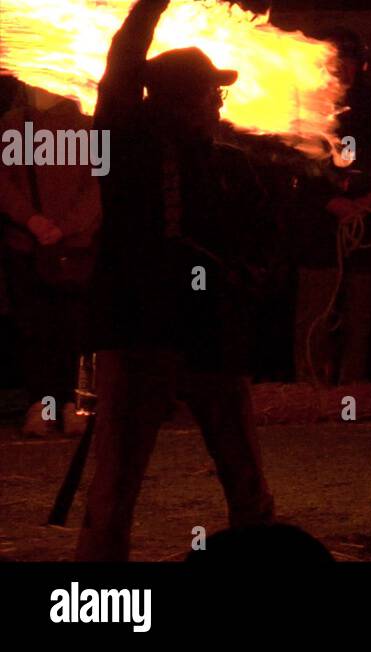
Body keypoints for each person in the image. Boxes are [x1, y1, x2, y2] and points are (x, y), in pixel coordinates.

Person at [76, 0, 276, 561]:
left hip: (213, 333)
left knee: (245, 481)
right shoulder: (124, 143)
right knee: (116, 488)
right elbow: (122, 65)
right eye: (207, 92)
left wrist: (250, 274)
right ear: (171, 101)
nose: (217, 102)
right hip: (141, 332)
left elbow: (261, 240)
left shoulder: (232, 166)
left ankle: (258, 563)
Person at [290, 27, 371, 385]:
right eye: (336, 62)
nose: (342, 69)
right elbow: (294, 164)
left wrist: (370, 199)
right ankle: (312, 387)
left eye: (348, 62)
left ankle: (352, 390)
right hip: (318, 230)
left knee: (359, 314)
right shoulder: (306, 105)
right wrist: (329, 201)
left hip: (363, 230)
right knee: (316, 312)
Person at [0, 83, 101, 437]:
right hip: (31, 246)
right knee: (37, 327)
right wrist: (34, 220)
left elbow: (98, 185)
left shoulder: (89, 128)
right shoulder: (13, 125)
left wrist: (56, 226)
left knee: (69, 328)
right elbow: (3, 181)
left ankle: (70, 403)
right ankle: (46, 404)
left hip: (66, 248)